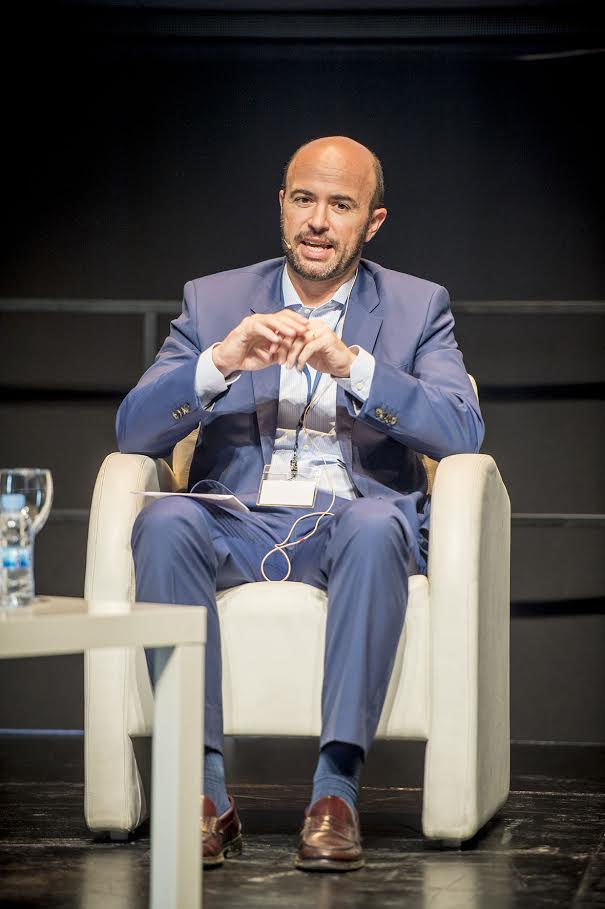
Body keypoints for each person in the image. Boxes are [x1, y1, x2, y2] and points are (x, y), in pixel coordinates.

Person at [116, 136, 484, 872]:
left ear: (370, 222)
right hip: (236, 519)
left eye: (340, 205)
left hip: (348, 524)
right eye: (304, 200)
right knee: (161, 517)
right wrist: (220, 361)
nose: (318, 221)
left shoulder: (417, 307)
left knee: (381, 520)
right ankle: (204, 794)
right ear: (281, 206)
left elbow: (459, 429)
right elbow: (133, 428)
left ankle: (334, 792)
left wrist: (355, 367)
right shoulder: (213, 299)